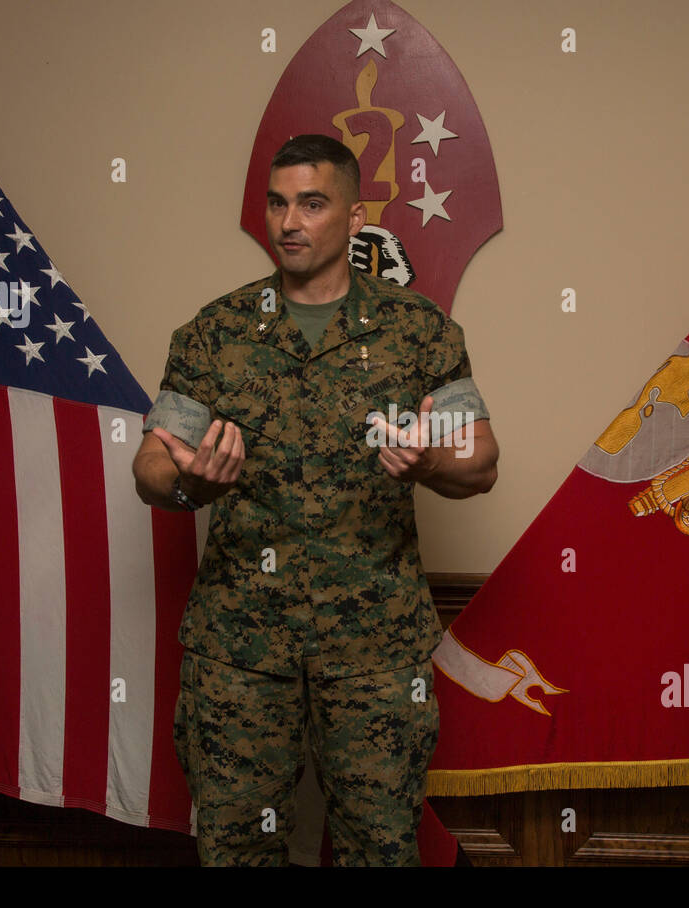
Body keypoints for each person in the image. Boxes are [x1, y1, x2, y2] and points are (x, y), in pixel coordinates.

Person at [132, 134, 498, 865]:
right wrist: (188, 483)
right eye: (276, 203)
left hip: (373, 654)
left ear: (354, 217)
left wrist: (427, 459)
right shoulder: (214, 332)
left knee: (380, 849)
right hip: (241, 651)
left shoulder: (419, 332)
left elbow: (482, 460)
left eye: (310, 203)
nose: (288, 221)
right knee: (235, 852)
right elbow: (150, 465)